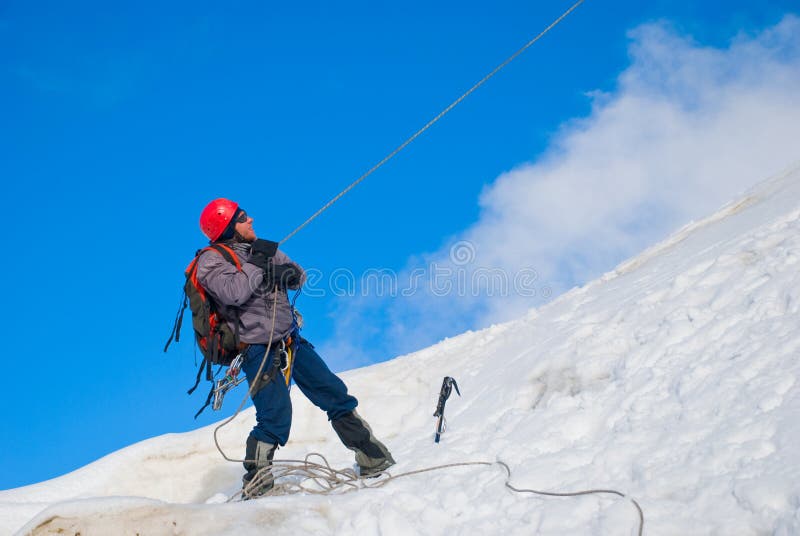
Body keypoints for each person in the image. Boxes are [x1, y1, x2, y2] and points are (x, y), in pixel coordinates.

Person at [195, 198, 395, 497]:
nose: (251, 220)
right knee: (275, 416)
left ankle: (372, 457)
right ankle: (257, 486)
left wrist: (287, 273)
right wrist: (260, 263)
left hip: (290, 339)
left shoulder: (262, 249)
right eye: (243, 217)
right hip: (257, 349)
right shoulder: (211, 261)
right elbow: (234, 292)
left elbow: (299, 275)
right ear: (227, 227)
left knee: (333, 393)